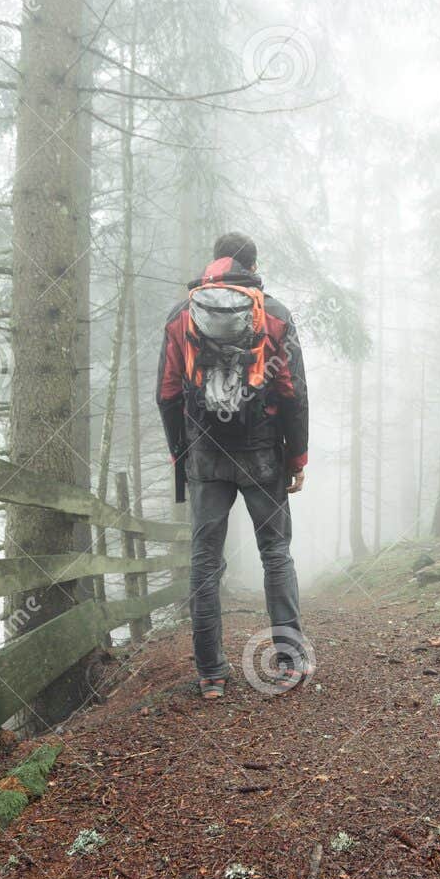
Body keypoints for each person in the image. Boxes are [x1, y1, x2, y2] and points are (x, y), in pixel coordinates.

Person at [157, 231, 310, 699]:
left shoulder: (182, 314)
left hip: (204, 455)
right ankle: (288, 661)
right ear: (252, 263)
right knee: (275, 554)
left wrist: (180, 453)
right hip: (262, 454)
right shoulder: (275, 313)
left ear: (215, 260)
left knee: (204, 563)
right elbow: (292, 393)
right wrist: (297, 457)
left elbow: (167, 392)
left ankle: (211, 674)